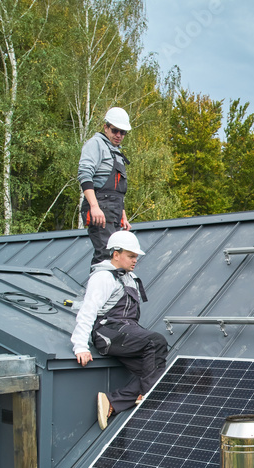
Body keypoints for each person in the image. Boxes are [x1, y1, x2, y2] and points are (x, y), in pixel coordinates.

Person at [71, 230, 168, 429]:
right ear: (116, 254)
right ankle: (150, 397)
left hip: (126, 332)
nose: (135, 261)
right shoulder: (104, 277)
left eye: (136, 257)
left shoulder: (129, 277)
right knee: (156, 341)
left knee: (159, 372)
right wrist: (80, 346)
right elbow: (87, 310)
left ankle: (112, 402)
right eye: (131, 256)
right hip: (108, 332)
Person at [78, 107, 133, 265]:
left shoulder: (116, 152)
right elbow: (85, 175)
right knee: (105, 256)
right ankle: (97, 289)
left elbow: (117, 190)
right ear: (106, 127)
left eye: (123, 132)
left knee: (117, 256)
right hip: (100, 206)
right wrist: (95, 207)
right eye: (115, 130)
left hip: (114, 210)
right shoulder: (95, 144)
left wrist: (122, 214)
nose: (119, 135)